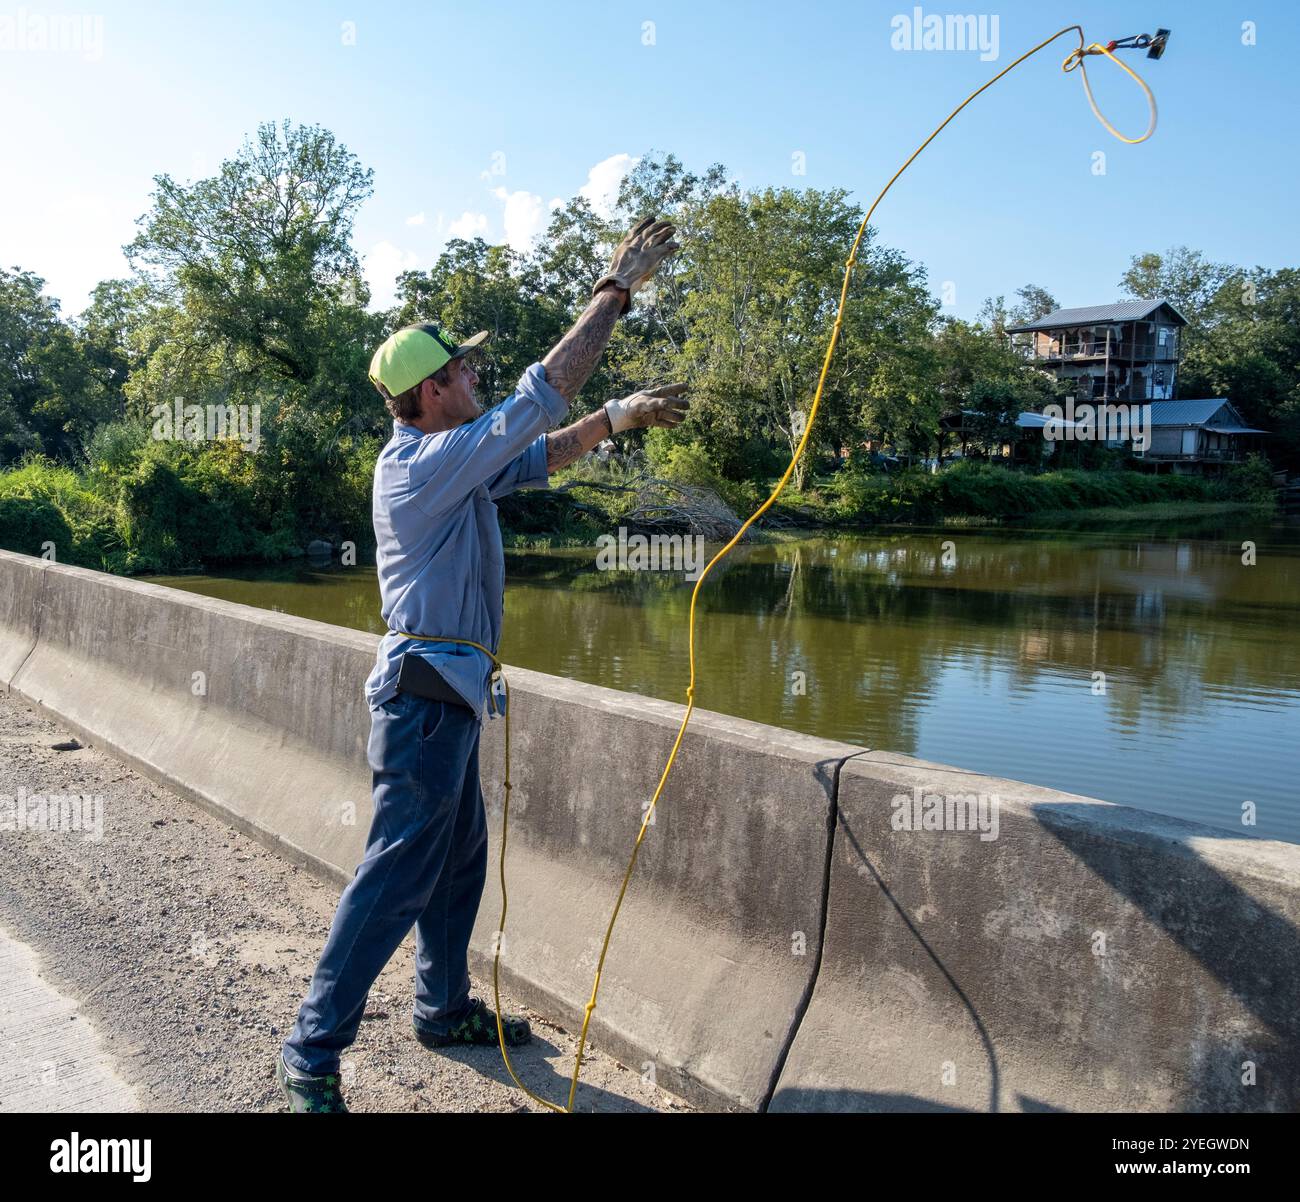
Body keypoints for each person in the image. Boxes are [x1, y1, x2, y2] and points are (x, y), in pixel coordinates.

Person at [277, 217, 688, 1113]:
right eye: (461, 371)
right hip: (425, 697)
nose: (475, 376)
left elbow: (539, 453)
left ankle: (441, 1005)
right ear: (429, 393)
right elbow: (539, 397)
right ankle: (311, 1048)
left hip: (450, 695)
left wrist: (615, 419)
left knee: (461, 861)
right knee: (397, 869)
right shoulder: (420, 466)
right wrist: (612, 292)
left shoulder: (456, 465)